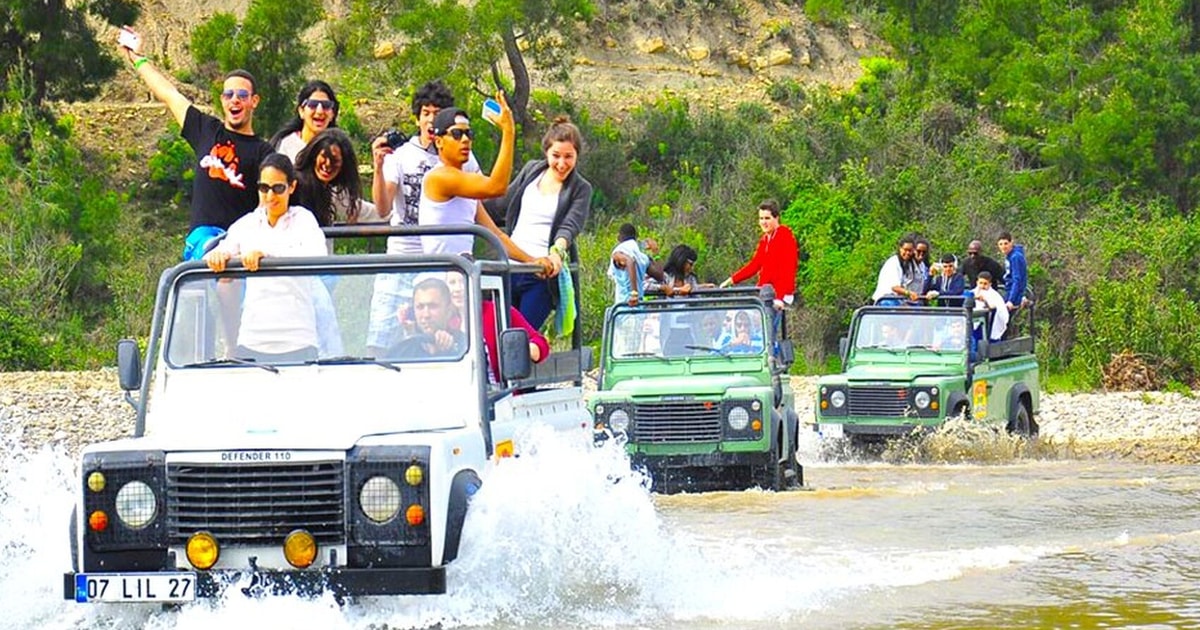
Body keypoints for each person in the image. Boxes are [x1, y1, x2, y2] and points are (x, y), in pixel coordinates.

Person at [117, 27, 274, 257]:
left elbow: (270, 204)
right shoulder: (206, 130)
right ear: (222, 100)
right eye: (229, 95)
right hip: (205, 240)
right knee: (215, 259)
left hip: (242, 243)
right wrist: (138, 59)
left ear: (254, 101)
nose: (234, 100)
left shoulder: (264, 152)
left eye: (242, 95)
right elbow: (169, 94)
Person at [203, 153, 328, 361]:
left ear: (292, 187)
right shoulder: (248, 224)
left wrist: (267, 255)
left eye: (278, 188)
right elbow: (221, 250)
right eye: (264, 188)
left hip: (298, 340)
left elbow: (317, 254)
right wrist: (218, 256)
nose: (270, 196)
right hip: (253, 340)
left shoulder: (304, 220)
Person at [486, 116, 593, 330]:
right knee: (496, 335)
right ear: (546, 152)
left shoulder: (581, 189)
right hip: (509, 267)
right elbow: (500, 205)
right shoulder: (532, 171)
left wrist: (557, 251)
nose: (562, 164)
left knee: (522, 337)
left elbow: (570, 225)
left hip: (540, 273)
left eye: (568, 157)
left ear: (577, 156)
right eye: (556, 156)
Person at [720, 200, 798, 312]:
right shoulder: (765, 239)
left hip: (777, 297)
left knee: (770, 327)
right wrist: (731, 280)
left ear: (776, 218)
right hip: (765, 294)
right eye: (761, 218)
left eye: (767, 218)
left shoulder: (784, 236)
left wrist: (780, 298)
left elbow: (788, 269)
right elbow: (754, 265)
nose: (763, 222)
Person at [293, 128, 380, 228]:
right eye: (324, 157)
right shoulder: (297, 186)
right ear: (314, 155)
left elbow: (360, 211)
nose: (327, 164)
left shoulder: (329, 190)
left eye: (335, 160)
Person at [388, 277, 467, 358]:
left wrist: (448, 350)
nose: (426, 315)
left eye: (433, 306)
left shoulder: (467, 346)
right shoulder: (401, 352)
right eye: (420, 307)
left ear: (448, 310)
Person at [481, 298, 549, 383]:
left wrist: (519, 348)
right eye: (458, 283)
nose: (458, 289)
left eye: (463, 284)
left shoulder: (497, 311)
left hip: (499, 393)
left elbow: (541, 345)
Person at [270, 80, 340, 162]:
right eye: (313, 104)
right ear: (301, 111)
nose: (320, 111)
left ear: (332, 114)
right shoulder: (286, 146)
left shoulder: (338, 149)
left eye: (326, 105)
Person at [645, 244, 711, 297]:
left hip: (688, 313)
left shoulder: (690, 278)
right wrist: (663, 288)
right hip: (666, 312)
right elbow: (644, 286)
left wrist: (703, 287)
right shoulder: (664, 276)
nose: (692, 268)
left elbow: (696, 297)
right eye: (690, 264)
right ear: (681, 261)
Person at [609, 223, 649, 306]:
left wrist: (634, 293)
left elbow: (629, 261)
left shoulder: (619, 251)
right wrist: (656, 253)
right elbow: (659, 275)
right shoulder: (642, 257)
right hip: (639, 306)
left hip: (625, 305)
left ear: (619, 236)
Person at [872, 234, 919, 305]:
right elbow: (895, 287)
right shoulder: (893, 262)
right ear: (900, 249)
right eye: (905, 250)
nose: (907, 253)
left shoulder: (910, 265)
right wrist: (909, 293)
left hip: (900, 300)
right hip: (886, 299)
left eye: (910, 251)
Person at [972, 271, 1009, 341]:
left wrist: (985, 301)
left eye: (985, 284)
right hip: (974, 324)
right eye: (981, 283)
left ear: (990, 284)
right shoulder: (972, 293)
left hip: (989, 325)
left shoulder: (995, 296)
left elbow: (996, 309)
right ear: (977, 282)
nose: (982, 286)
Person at [997, 231, 1028, 311]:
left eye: (1006, 243)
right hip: (1009, 292)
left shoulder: (1015, 257)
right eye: (1001, 244)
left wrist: (1011, 300)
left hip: (1013, 295)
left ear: (1011, 243)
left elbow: (1017, 279)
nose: (1003, 247)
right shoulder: (1009, 256)